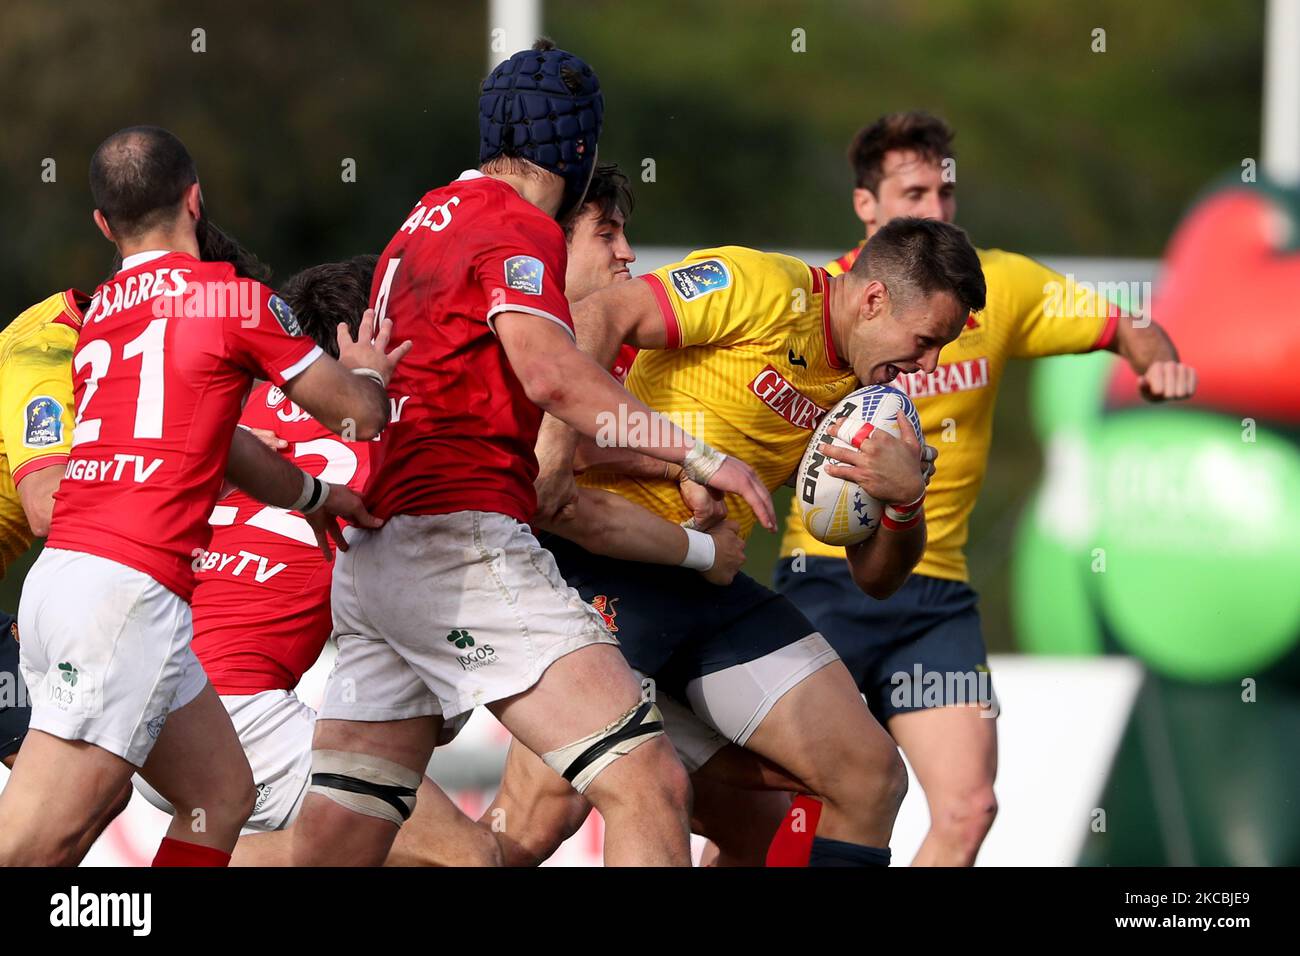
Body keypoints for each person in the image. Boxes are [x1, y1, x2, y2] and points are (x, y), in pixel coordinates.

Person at [292, 44, 774, 868]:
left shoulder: (424, 216)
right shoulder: (517, 226)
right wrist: (699, 457)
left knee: (341, 837)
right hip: (459, 543)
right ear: (580, 150)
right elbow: (550, 374)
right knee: (648, 783)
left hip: (377, 558)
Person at [489, 214, 987, 867]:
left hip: (707, 585)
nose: (930, 366)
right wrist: (551, 456)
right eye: (925, 341)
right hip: (602, 567)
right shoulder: (761, 287)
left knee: (869, 777)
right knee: (529, 831)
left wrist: (905, 500)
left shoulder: (871, 407)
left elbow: (876, 580)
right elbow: (597, 314)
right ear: (873, 300)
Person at [771, 111, 1196, 866]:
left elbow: (1128, 325)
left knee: (969, 808)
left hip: (934, 596)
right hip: (828, 580)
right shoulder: (830, 301)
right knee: (781, 812)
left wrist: (1155, 360)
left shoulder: (999, 285)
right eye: (914, 194)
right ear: (867, 205)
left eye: (945, 191)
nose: (936, 208)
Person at [0, 125, 404, 866]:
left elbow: (227, 445)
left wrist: (315, 496)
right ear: (195, 199)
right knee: (27, 847)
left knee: (219, 795)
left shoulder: (94, 317)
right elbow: (361, 415)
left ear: (103, 225)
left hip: (68, 583)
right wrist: (370, 371)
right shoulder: (234, 299)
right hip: (126, 593)